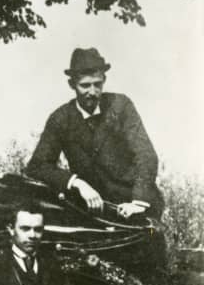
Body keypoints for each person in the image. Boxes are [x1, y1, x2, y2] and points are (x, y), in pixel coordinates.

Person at [26, 47, 164, 219]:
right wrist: (76, 183)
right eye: (85, 85)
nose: (92, 92)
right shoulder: (60, 119)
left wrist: (138, 202)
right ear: (71, 85)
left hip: (135, 206)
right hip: (93, 210)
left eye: (97, 84)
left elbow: (146, 155)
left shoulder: (120, 106)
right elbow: (37, 166)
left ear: (104, 80)